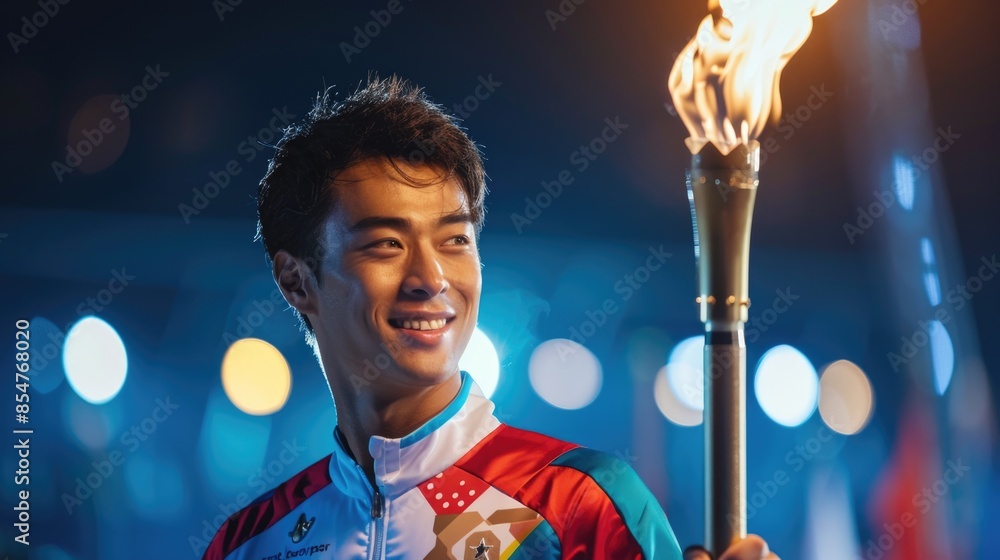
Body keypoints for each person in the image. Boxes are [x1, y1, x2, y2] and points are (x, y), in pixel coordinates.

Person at [203, 76, 779, 560]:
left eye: (455, 239)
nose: (431, 278)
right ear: (296, 281)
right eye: (385, 244)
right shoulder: (251, 542)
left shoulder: (577, 504)